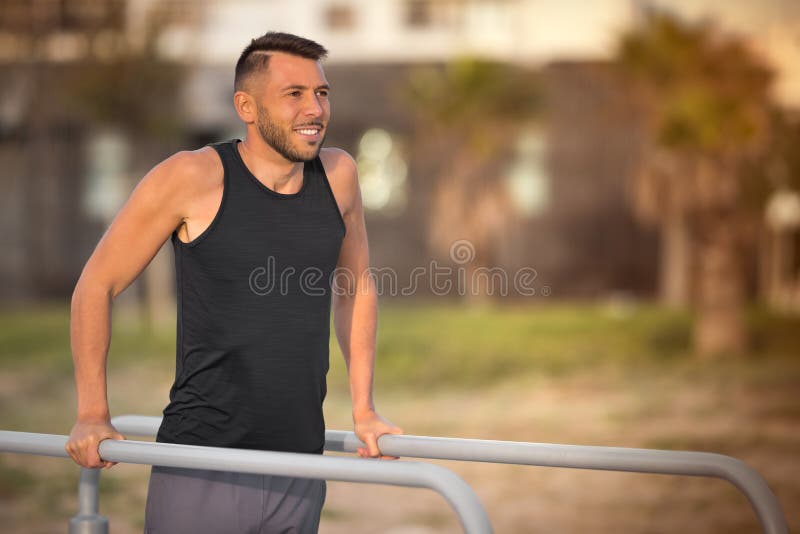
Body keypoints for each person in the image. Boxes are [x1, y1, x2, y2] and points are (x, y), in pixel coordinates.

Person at [65, 31, 403, 533]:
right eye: (295, 94)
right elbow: (96, 284)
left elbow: (355, 289)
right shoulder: (192, 176)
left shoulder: (339, 175)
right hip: (205, 463)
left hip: (300, 466)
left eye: (322, 93)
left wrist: (364, 409)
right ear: (246, 105)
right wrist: (93, 412)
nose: (315, 109)